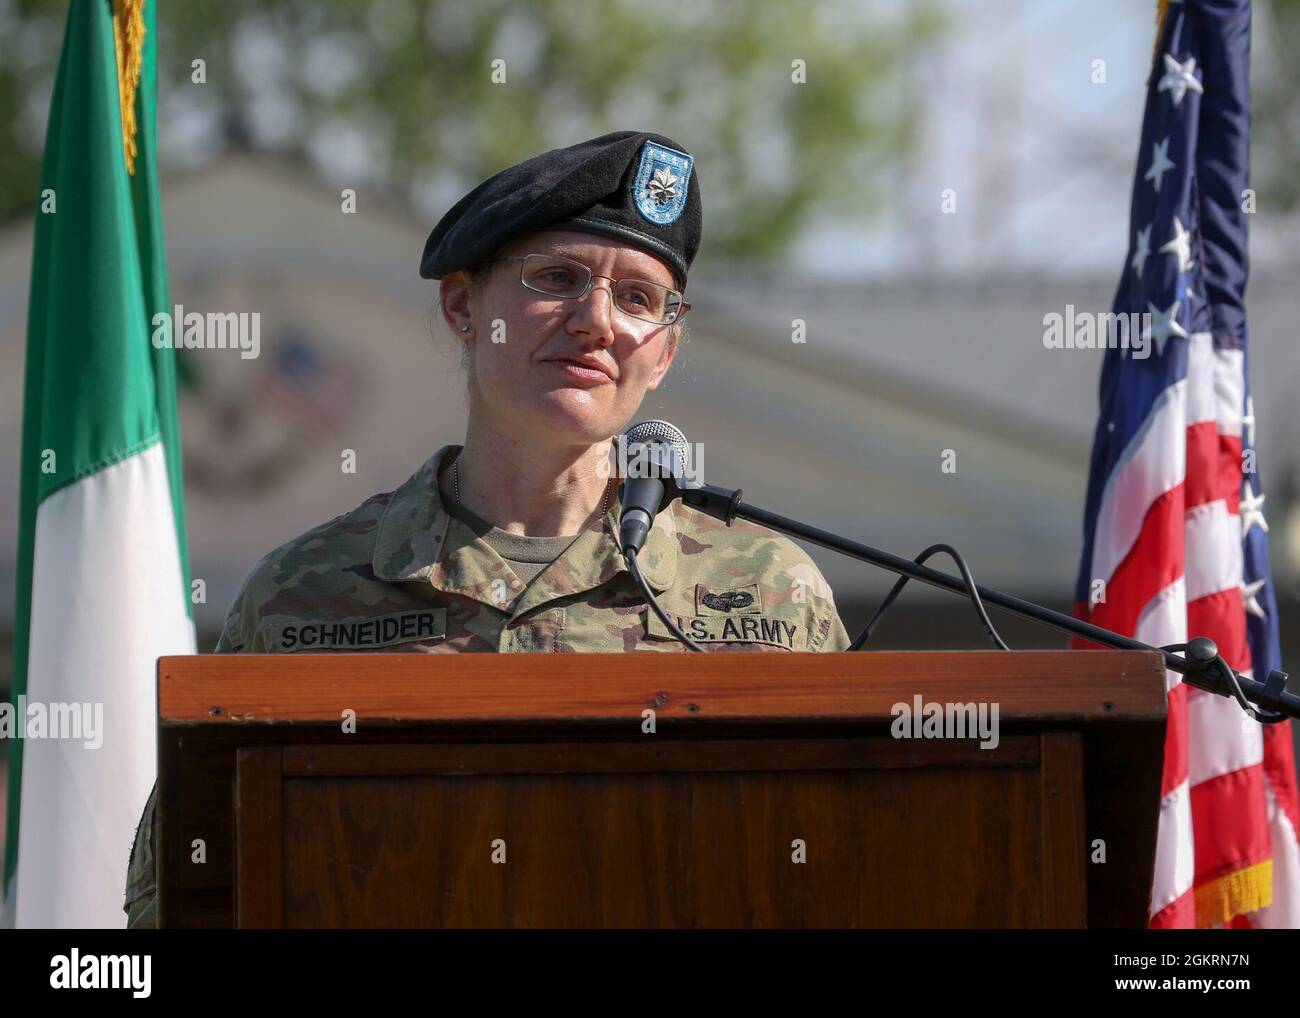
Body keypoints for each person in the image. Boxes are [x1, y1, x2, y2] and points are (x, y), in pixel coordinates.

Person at [123, 130, 852, 927]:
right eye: (556, 278)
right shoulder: (304, 598)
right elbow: (176, 907)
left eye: (639, 299)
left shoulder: (772, 596)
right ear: (464, 305)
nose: (597, 322)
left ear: (667, 351)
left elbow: (859, 874)